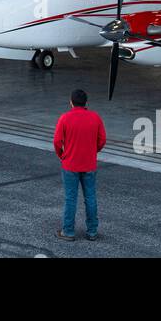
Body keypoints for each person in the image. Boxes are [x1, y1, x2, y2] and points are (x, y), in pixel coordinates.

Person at [53, 88, 106, 241]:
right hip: (89, 164)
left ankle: (68, 231)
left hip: (70, 165)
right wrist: (93, 151)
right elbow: (102, 140)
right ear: (86, 103)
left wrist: (62, 155)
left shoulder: (64, 118)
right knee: (90, 197)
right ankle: (92, 231)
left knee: (70, 198)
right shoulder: (95, 118)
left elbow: (57, 141)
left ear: (71, 102)